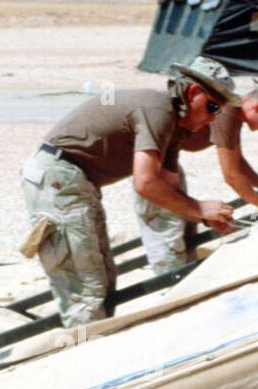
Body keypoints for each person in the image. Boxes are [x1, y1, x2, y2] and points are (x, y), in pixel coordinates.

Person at [22, 59, 239, 326]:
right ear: (193, 93)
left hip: (75, 182)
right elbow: (146, 183)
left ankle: (94, 344)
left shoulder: (173, 128)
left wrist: (205, 217)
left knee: (103, 280)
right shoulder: (158, 110)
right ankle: (85, 356)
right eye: (212, 107)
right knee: (85, 289)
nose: (213, 118)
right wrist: (200, 209)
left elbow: (166, 188)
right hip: (58, 177)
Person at [134, 68, 258, 276]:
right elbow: (231, 175)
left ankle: (182, 273)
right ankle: (169, 281)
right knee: (168, 229)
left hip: (166, 160)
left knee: (183, 225)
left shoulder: (233, 114)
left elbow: (237, 160)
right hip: (154, 164)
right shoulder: (226, 112)